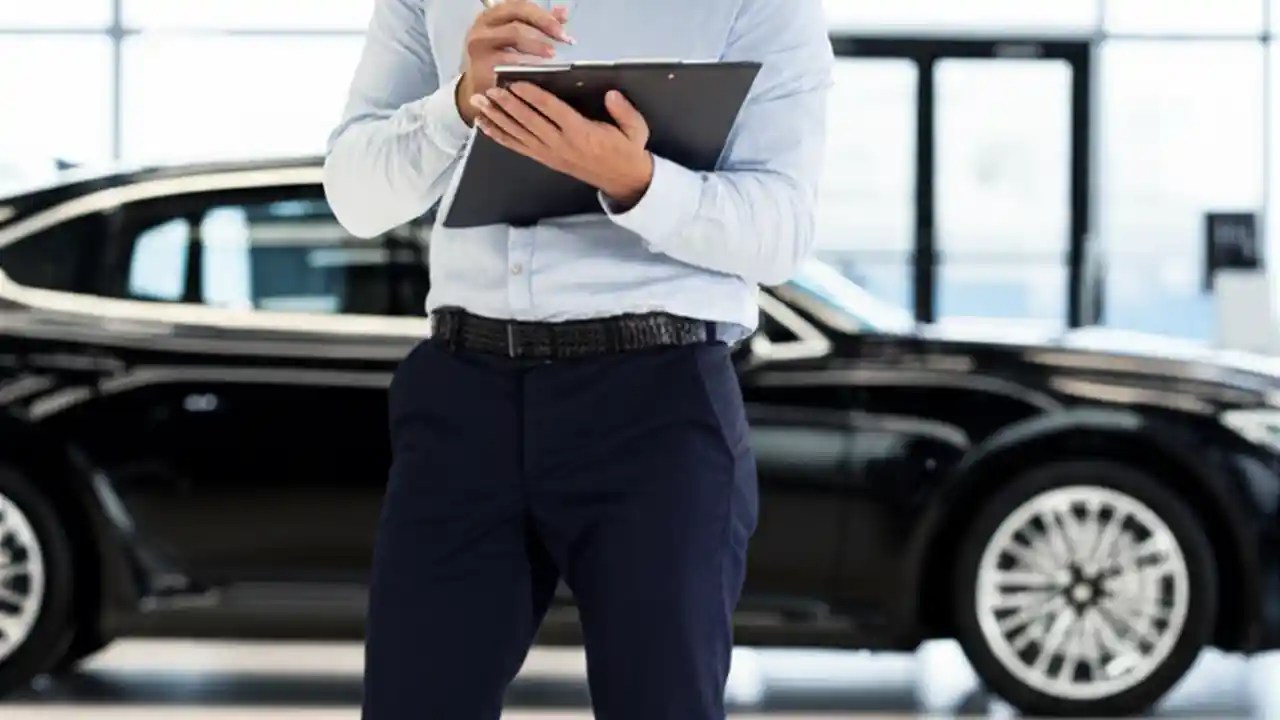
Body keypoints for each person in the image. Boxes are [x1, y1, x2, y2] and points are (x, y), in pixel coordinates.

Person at [323, 0, 833, 717]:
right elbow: (353, 195)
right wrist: (461, 104)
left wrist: (637, 180)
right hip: (464, 392)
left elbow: (782, 231)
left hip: (656, 405)